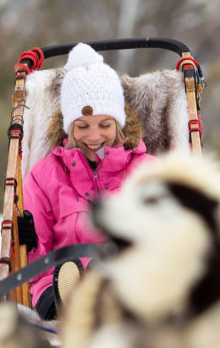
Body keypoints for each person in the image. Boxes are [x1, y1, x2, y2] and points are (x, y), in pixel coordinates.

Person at [23, 42, 155, 320]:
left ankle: (105, 290)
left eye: (105, 125)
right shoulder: (44, 176)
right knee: (59, 289)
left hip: (134, 280)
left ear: (119, 123)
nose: (94, 137)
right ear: (69, 127)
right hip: (59, 282)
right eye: (82, 126)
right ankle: (77, 298)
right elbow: (37, 259)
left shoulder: (147, 172)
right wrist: (28, 242)